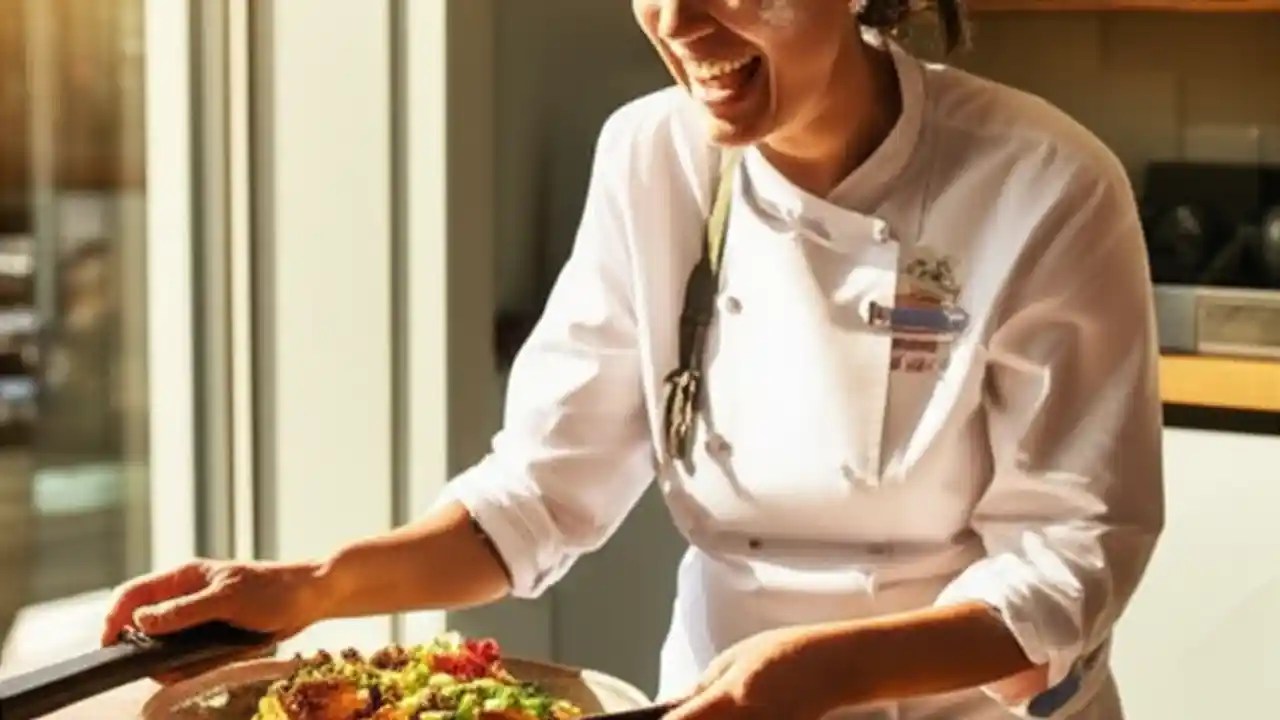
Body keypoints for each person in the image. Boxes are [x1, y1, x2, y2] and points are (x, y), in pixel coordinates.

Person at [102, 1, 1166, 718]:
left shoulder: (1044, 182)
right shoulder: (649, 154)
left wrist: (816, 668)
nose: (676, 19)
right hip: (711, 694)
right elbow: (539, 492)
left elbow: (1067, 562)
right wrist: (315, 587)